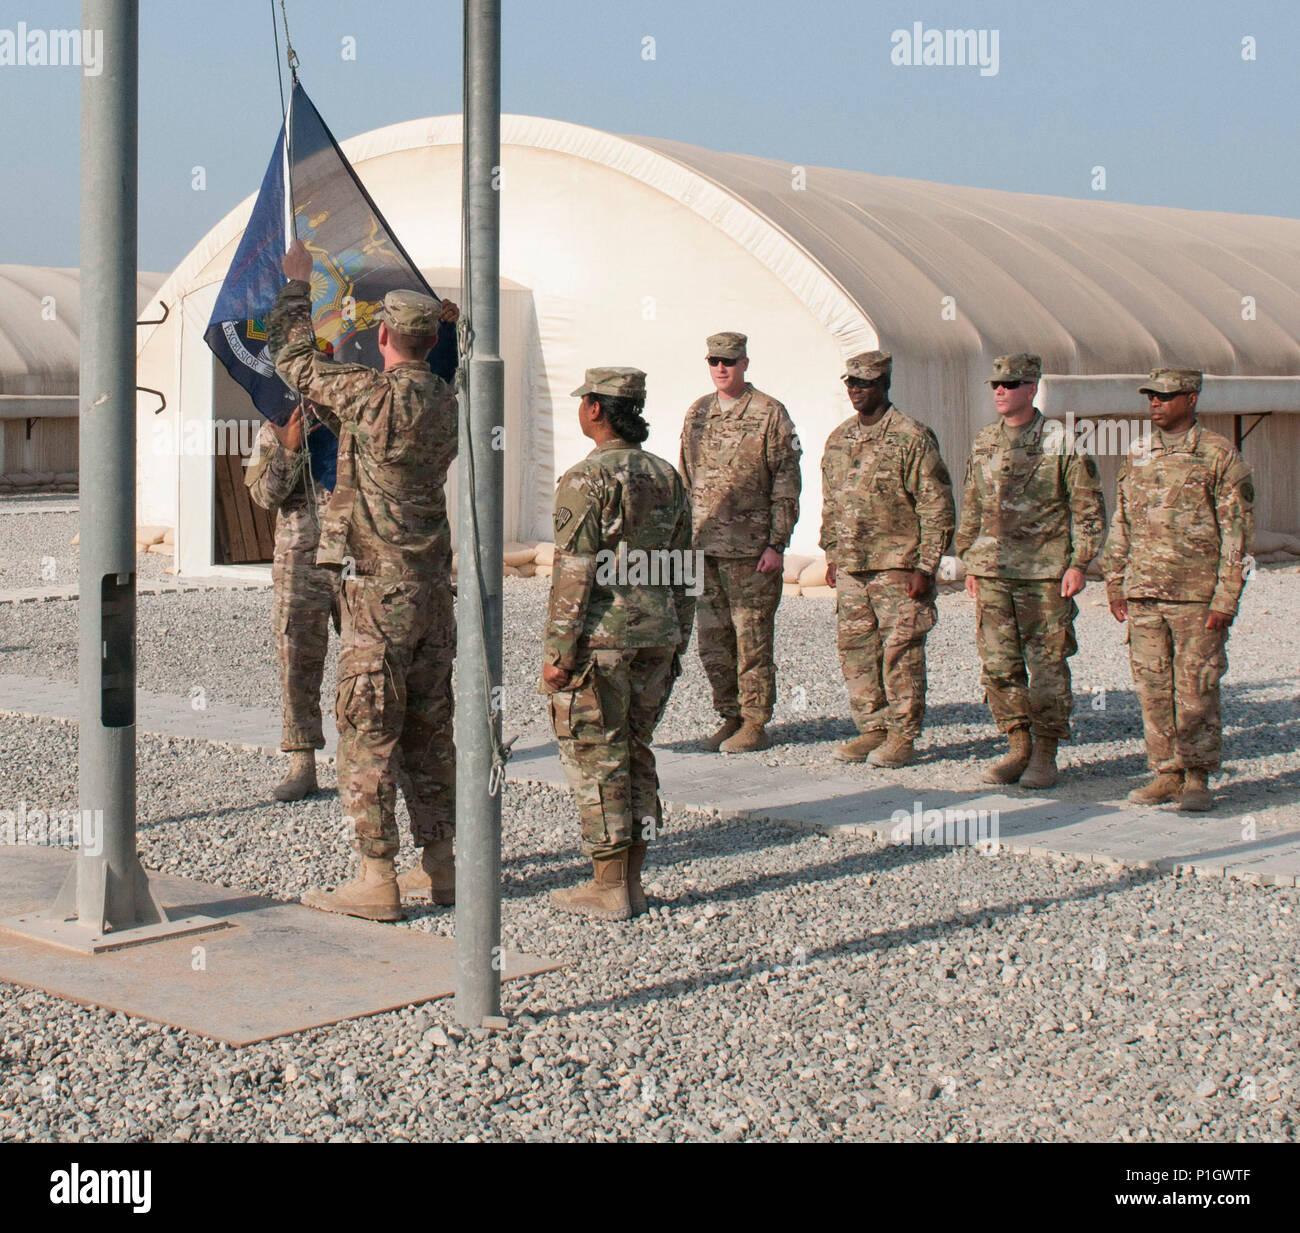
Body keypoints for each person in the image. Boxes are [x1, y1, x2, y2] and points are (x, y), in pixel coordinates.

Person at [269, 237, 459, 921]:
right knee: (430, 732)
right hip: (432, 593)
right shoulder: (445, 401)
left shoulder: (370, 393)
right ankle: (442, 864)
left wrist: (297, 286)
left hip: (378, 596)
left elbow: (293, 361)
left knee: (368, 730)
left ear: (383, 337)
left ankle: (376, 877)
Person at [542, 368, 695, 921]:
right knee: (636, 750)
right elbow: (685, 565)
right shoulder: (667, 475)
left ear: (596, 409)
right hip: (656, 637)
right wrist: (678, 636)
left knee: (597, 754)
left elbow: (575, 571)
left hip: (602, 642)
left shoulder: (588, 478)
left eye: (584, 401)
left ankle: (608, 886)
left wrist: (558, 652)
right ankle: (632, 880)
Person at [1102, 368, 1254, 811]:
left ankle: (1197, 776)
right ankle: (1165, 773)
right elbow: (1122, 520)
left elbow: (1238, 532)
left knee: (1197, 687)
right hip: (1144, 592)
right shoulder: (1138, 453)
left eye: (1166, 396)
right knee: (1152, 686)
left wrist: (1226, 598)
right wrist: (1115, 580)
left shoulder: (1218, 455)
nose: (1156, 403)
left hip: (1196, 596)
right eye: (1151, 396)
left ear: (1191, 398)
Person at [953, 353, 1105, 789]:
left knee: (1048, 666)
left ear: (1033, 387)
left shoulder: (1061, 441)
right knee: (999, 664)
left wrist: (1080, 562)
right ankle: (1017, 745)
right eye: (996, 384)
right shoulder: (985, 440)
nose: (1001, 391)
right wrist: (970, 559)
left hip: (1044, 575)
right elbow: (973, 503)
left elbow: (1088, 509)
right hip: (993, 572)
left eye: (1011, 383)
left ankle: (1045, 752)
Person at [820, 351, 955, 766]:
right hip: (853, 567)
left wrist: (926, 566)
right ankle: (872, 728)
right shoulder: (840, 438)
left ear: (883, 385)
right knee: (857, 651)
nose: (856, 390)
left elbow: (936, 506)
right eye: (851, 383)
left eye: (864, 383)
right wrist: (832, 553)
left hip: (898, 567)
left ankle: (902, 735)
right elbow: (832, 502)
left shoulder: (911, 436)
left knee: (902, 653)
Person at [679, 331, 801, 753]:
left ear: (744, 363)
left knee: (752, 640)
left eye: (728, 361)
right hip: (705, 549)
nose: (720, 368)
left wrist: (777, 544)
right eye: (714, 361)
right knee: (713, 641)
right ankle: (729, 715)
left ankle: (754, 722)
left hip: (751, 552)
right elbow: (686, 478)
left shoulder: (769, 413)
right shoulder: (698, 412)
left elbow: (786, 483)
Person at [244, 400, 341, 801]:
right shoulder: (277, 424)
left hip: (357, 555)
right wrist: (288, 447)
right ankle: (302, 762)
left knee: (371, 660)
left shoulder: (359, 414)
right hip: (300, 560)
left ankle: (370, 759)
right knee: (296, 659)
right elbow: (264, 495)